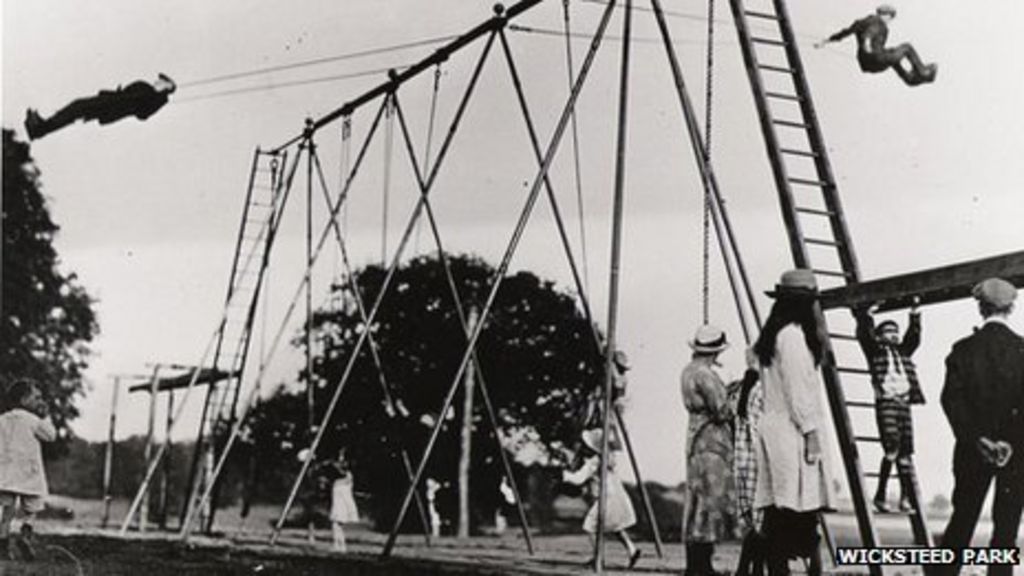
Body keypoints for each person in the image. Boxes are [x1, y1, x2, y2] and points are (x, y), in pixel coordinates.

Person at [932, 278, 1024, 576]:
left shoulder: (963, 349)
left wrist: (978, 439)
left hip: (972, 450)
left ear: (980, 307)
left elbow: (950, 400)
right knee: (1006, 528)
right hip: (1016, 454)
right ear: (1011, 307)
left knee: (962, 521)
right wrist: (1010, 442)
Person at [752, 269, 836, 576]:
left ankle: (777, 568)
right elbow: (798, 390)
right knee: (796, 506)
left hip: (776, 425)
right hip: (792, 428)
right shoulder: (793, 338)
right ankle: (785, 569)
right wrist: (811, 432)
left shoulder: (774, 334)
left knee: (781, 505)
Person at [680, 324, 752, 576]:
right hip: (713, 442)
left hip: (696, 440)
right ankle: (701, 567)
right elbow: (722, 411)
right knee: (710, 502)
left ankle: (696, 564)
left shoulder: (689, 371)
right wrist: (735, 396)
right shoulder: (706, 376)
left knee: (698, 500)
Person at [852, 298, 926, 513]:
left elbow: (914, 337)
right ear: (880, 335)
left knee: (905, 454)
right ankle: (881, 495)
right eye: (888, 331)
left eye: (896, 331)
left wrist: (914, 312)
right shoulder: (875, 351)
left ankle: (905, 498)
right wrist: (867, 316)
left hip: (904, 404)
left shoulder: (903, 352)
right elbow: (864, 336)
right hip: (887, 403)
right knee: (891, 449)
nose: (893, 335)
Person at [562, 428, 641, 569]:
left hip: (607, 498)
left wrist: (565, 475)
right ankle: (632, 549)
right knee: (617, 526)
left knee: (589, 526)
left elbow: (579, 479)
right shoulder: (608, 457)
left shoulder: (594, 461)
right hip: (618, 495)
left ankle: (598, 557)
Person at [0, 379, 57, 562]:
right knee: (33, 506)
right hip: (29, 473)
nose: (39, 401)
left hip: (6, 473)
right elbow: (50, 436)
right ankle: (25, 533)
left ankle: (3, 546)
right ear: (24, 400)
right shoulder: (33, 420)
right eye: (36, 397)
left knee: (6, 511)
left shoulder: (2, 419)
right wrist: (46, 416)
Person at [24, 73, 177, 141]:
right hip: (108, 102)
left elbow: (143, 115)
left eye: (163, 82)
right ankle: (40, 128)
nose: (158, 81)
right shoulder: (145, 87)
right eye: (160, 80)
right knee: (75, 110)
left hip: (110, 106)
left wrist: (162, 98)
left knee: (76, 108)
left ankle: (40, 129)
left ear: (166, 88)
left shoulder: (154, 98)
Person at [814, 5, 937, 87]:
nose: (889, 22)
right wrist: (867, 43)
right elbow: (870, 33)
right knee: (907, 47)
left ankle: (909, 78)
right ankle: (923, 72)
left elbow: (844, 33)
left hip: (866, 64)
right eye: (890, 18)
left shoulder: (861, 22)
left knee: (892, 54)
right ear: (886, 15)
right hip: (876, 58)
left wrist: (825, 41)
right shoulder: (879, 23)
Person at [730, 344, 767, 576]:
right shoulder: (763, 389)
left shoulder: (740, 389)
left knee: (754, 517)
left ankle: (747, 568)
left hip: (742, 455)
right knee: (763, 517)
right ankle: (752, 569)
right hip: (758, 453)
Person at [327, 450, 359, 553]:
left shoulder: (346, 476)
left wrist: (332, 462)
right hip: (339, 503)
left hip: (342, 504)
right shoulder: (342, 478)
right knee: (336, 525)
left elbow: (338, 470)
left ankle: (339, 545)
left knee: (336, 525)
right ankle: (340, 545)